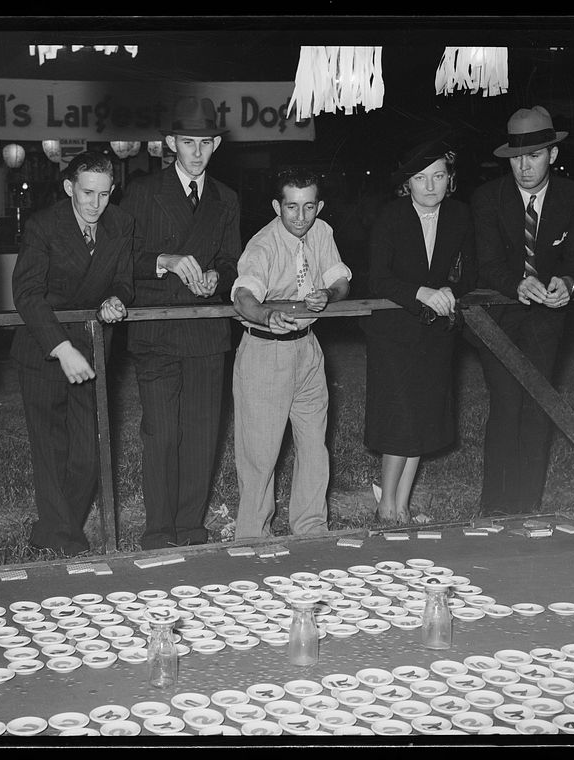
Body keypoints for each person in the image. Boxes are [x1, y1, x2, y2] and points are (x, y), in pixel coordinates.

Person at [120, 96, 241, 550]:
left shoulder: (226, 199)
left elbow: (233, 262)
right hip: (156, 330)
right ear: (170, 143)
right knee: (162, 432)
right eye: (187, 142)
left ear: (216, 146)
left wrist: (218, 277)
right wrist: (164, 261)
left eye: (204, 143)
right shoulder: (142, 192)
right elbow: (121, 260)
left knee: (202, 431)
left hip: (207, 332)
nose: (196, 152)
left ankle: (190, 526)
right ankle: (158, 529)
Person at [11, 151, 134, 557]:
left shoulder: (120, 223)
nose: (96, 203)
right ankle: (67, 542)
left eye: (104, 193)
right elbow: (27, 293)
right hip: (46, 350)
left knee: (87, 457)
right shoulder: (43, 226)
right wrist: (61, 348)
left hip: (92, 350)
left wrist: (116, 299)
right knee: (51, 453)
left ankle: (53, 530)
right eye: (87, 193)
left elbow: (123, 280)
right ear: (69, 188)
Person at [471, 106, 574, 516]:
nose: (524, 167)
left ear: (552, 156)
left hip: (546, 318)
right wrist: (515, 283)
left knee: (537, 406)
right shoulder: (487, 198)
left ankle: (527, 508)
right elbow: (486, 262)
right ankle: (493, 509)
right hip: (498, 318)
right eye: (517, 158)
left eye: (535, 156)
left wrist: (569, 284)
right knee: (505, 403)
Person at [231, 169, 351, 539]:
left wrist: (328, 295)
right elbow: (242, 296)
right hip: (265, 352)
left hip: (308, 350)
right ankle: (252, 537)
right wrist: (266, 313)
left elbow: (340, 280)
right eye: (291, 207)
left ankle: (312, 530)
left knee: (315, 446)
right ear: (276, 206)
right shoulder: (263, 245)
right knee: (261, 455)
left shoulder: (322, 232)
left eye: (309, 207)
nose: (300, 217)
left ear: (319, 206)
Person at [364, 137, 477, 523]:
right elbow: (378, 278)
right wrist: (421, 292)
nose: (430, 186)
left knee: (423, 418)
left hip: (436, 334)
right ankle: (385, 507)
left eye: (439, 176)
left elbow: (470, 272)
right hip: (395, 331)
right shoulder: (390, 216)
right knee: (401, 419)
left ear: (450, 180)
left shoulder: (460, 215)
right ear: (407, 183)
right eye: (421, 178)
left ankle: (402, 504)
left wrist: (450, 289)